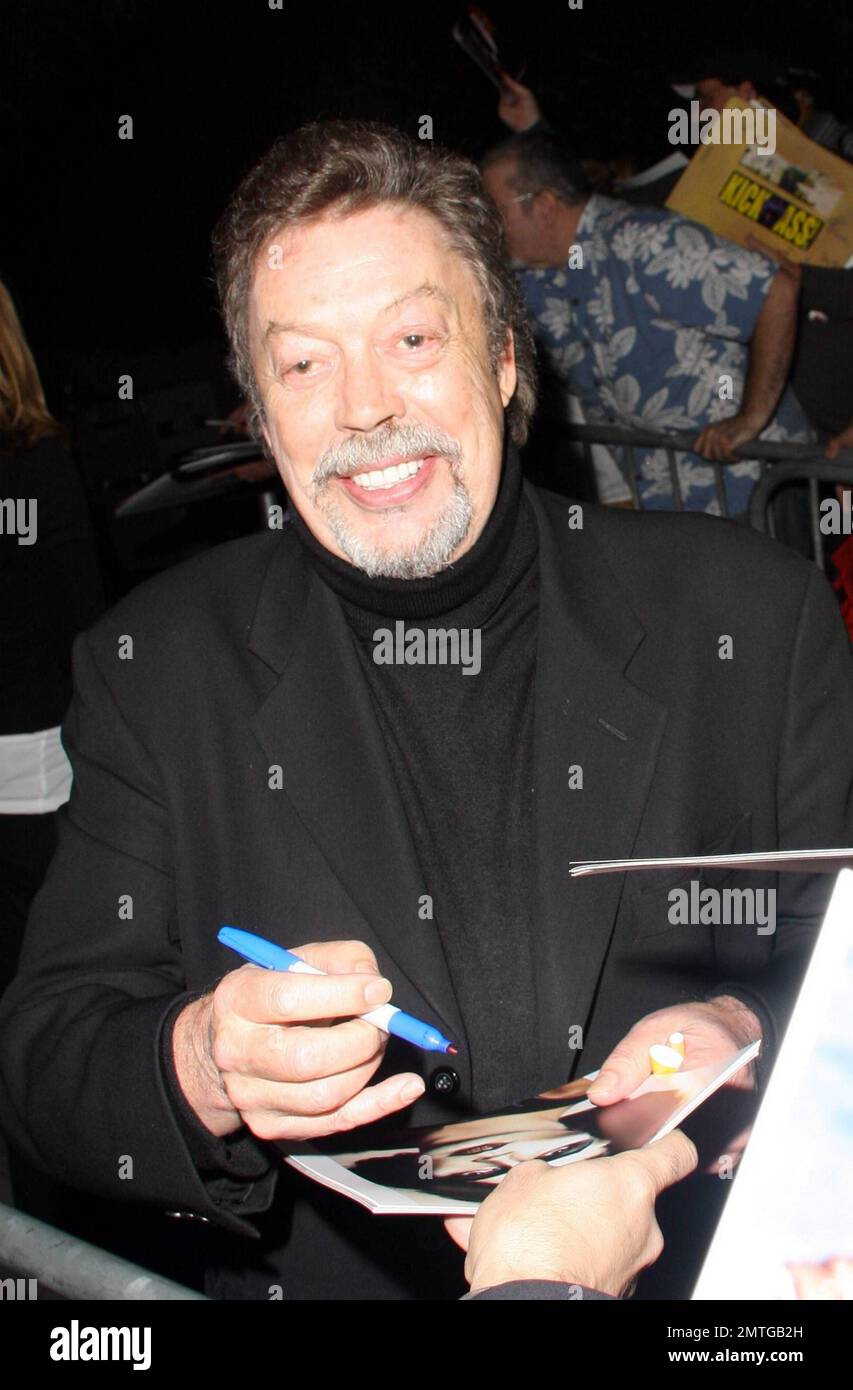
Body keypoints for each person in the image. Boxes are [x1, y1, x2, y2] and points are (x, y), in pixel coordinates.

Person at [0, 120, 851, 1302]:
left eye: (411, 337)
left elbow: (830, 944)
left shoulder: (753, 617)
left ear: (505, 357)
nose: (363, 408)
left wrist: (741, 1029)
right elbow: (45, 1062)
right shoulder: (156, 669)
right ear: (258, 413)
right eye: (303, 364)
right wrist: (198, 1062)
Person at [480, 132, 815, 522]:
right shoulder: (535, 282)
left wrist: (751, 418)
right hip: (669, 499)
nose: (490, 227)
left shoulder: (643, 241)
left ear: (546, 205)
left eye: (496, 211)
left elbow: (774, 290)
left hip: (753, 483)